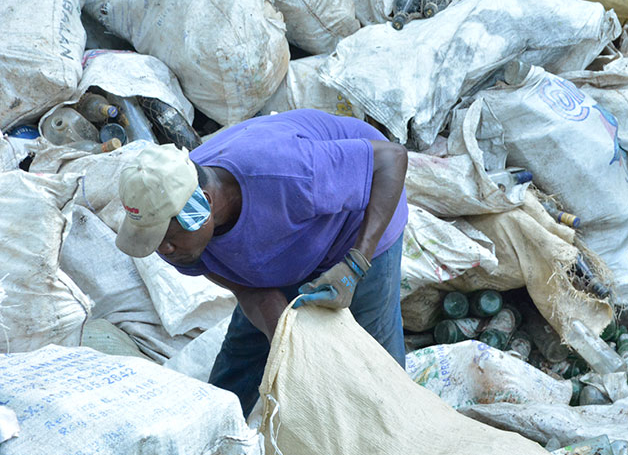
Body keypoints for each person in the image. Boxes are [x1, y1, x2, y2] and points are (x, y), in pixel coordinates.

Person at [114, 109, 409, 415]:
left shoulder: (285, 171)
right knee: (247, 351)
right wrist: (286, 343)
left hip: (360, 215)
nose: (165, 251)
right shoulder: (183, 243)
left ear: (203, 208)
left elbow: (391, 159)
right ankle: (216, 443)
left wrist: (354, 267)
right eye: (155, 240)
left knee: (375, 357)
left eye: (167, 237)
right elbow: (252, 292)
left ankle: (394, 435)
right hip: (284, 234)